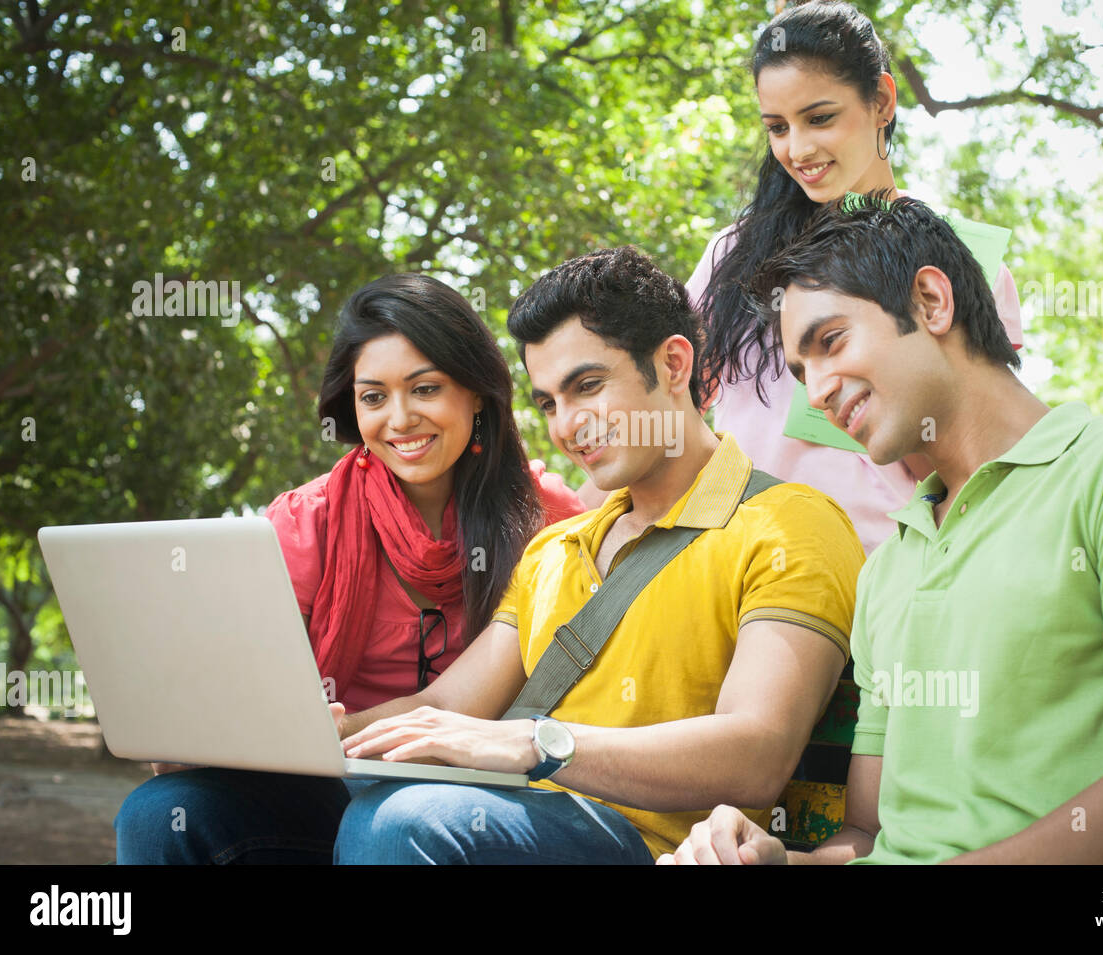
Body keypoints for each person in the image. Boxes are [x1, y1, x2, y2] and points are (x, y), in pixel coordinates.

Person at [660, 196, 1103, 865]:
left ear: (930, 300)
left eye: (830, 342)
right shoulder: (893, 563)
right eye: (801, 374)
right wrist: (781, 861)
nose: (819, 392)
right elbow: (868, 833)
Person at [330, 246, 866, 864]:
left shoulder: (789, 523)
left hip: (652, 845)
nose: (566, 426)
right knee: (204, 808)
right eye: (549, 403)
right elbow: (445, 707)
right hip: (512, 814)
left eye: (587, 386)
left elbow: (757, 753)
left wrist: (539, 743)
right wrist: (315, 735)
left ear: (672, 363)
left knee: (401, 822)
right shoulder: (555, 547)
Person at [113, 273, 584, 864]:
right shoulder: (306, 522)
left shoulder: (552, 520)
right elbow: (235, 683)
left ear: (477, 394)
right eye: (373, 397)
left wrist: (339, 731)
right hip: (327, 784)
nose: (401, 418)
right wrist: (193, 730)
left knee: (389, 820)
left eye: (426, 388)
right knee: (160, 814)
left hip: (485, 793)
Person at [678, 0, 1023, 554]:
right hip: (738, 557)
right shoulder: (735, 253)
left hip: (887, 564)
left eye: (819, 118)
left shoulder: (966, 260)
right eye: (778, 128)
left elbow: (976, 458)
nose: (798, 149)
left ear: (881, 100)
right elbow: (670, 402)